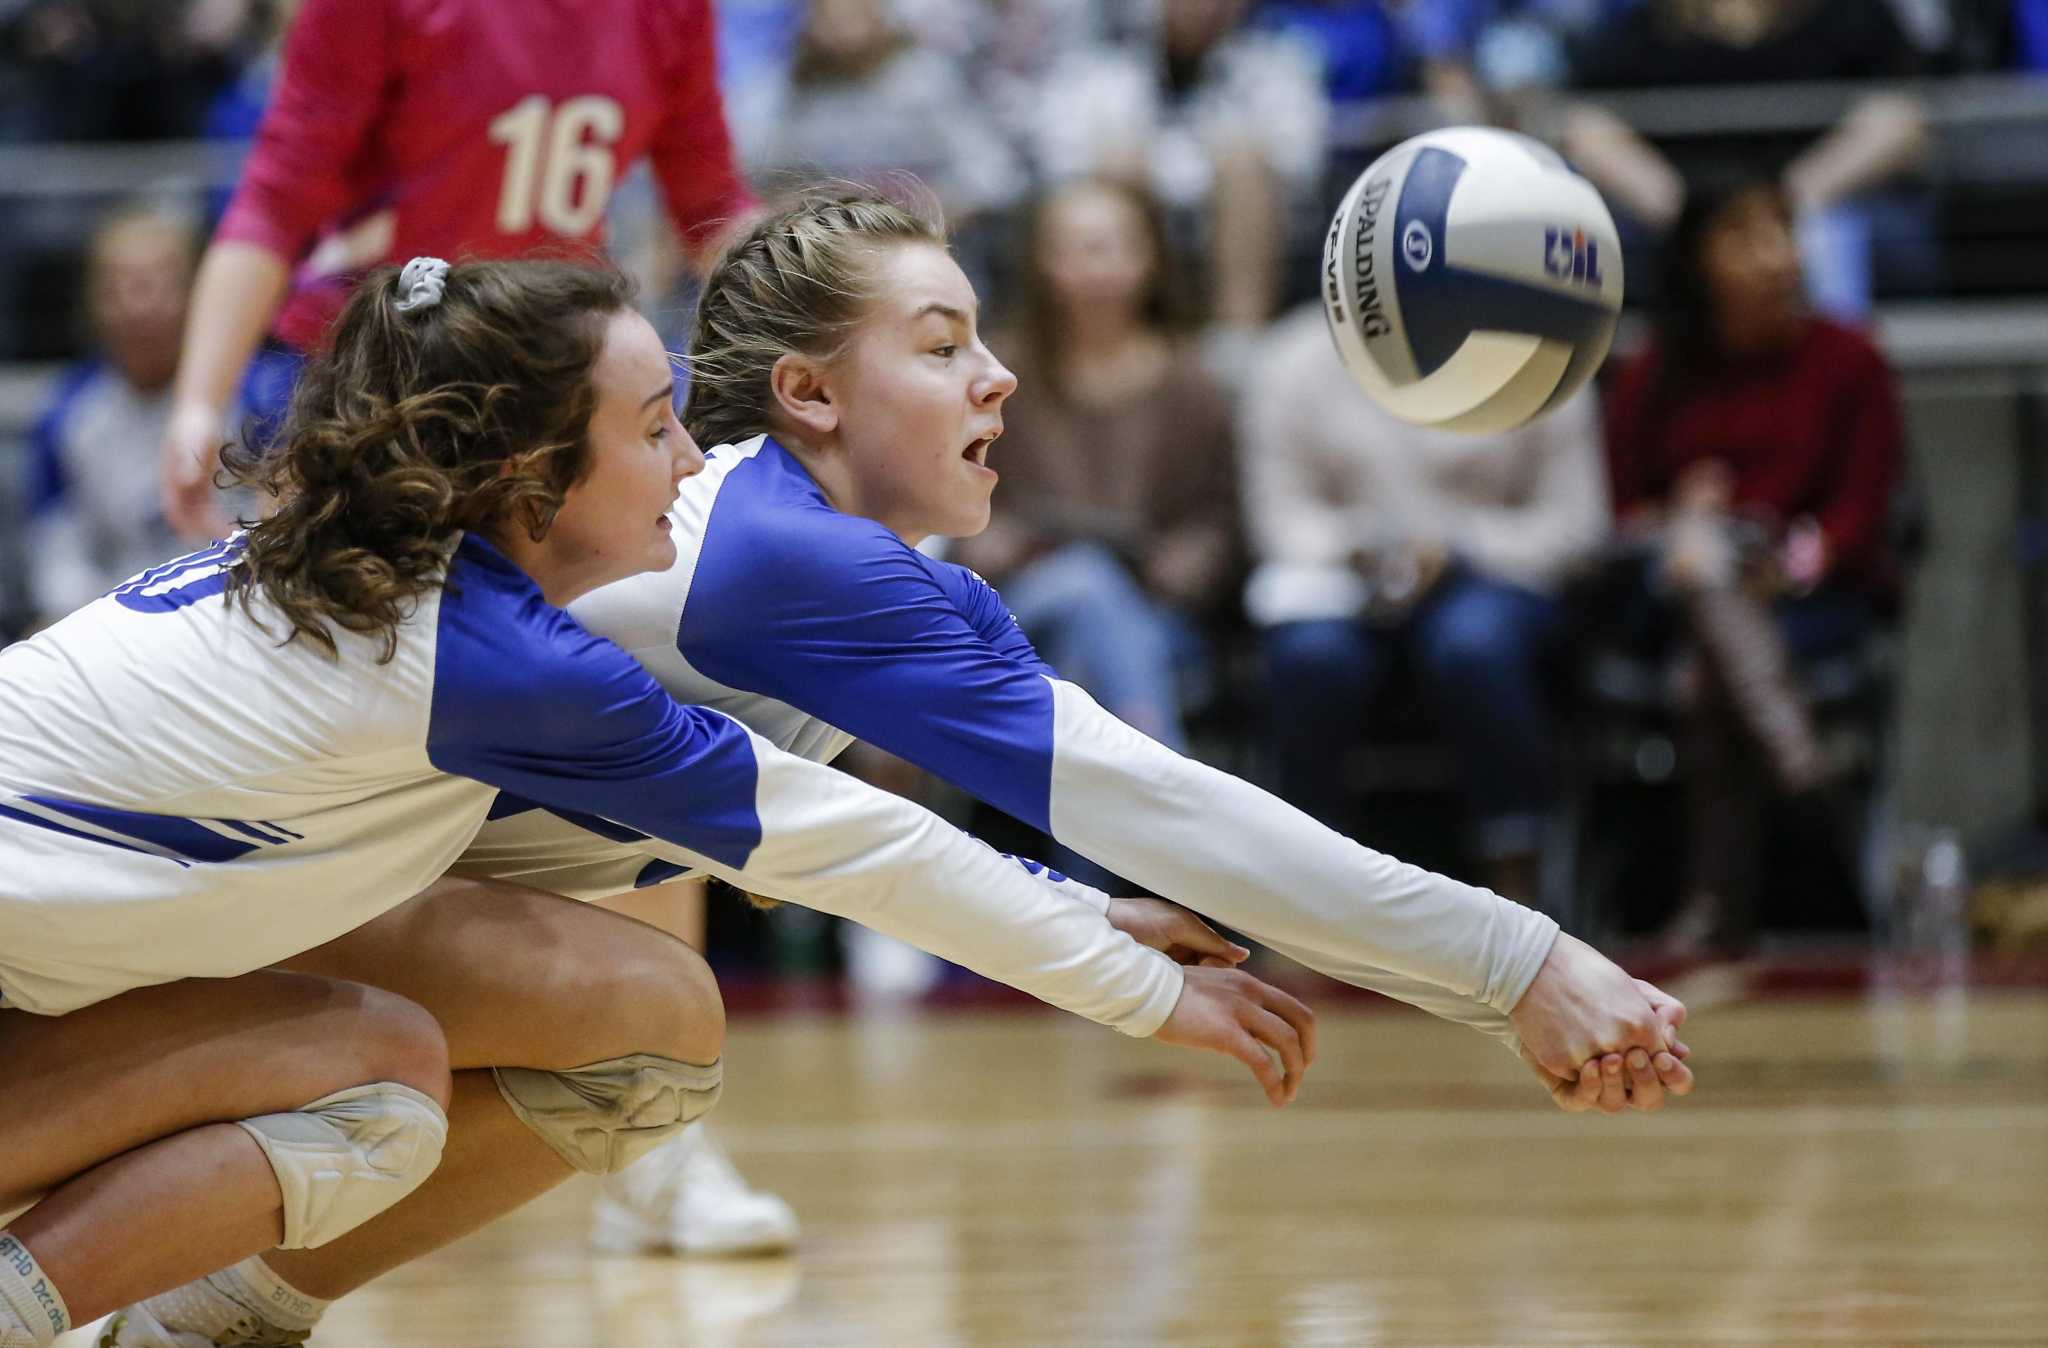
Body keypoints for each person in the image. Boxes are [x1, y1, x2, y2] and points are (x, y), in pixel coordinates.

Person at [1, 255, 1322, 1348]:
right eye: (652, 429)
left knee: (640, 1022)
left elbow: (839, 830)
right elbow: (846, 845)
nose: (693, 461)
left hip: (64, 979)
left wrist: (1082, 911)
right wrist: (1134, 986)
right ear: (532, 476)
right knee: (378, 1081)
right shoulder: (489, 661)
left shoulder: (412, 584)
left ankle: (205, 1322)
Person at [146, 0, 788, 1253]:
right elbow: (279, 191)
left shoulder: (665, 12)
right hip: (371, 414)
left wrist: (824, 344)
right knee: (339, 771)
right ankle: (266, 1109)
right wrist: (196, 397)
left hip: (554, 423)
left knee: (638, 733)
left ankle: (657, 1146)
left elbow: (712, 203)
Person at [1600, 175, 1906, 951]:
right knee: (1702, 562)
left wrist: (1795, 565)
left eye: (1783, 232)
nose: (1776, 256)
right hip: (1676, 584)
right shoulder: (1654, 367)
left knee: (1705, 674)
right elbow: (1620, 512)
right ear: (1698, 260)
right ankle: (1801, 771)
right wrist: (1679, 515)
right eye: (1745, 236)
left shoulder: (1851, 358)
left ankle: (1715, 906)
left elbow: (1862, 510)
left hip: (1807, 593)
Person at [1241, 304, 1610, 908]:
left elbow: (1576, 527)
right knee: (1310, 659)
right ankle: (1302, 891)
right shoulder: (1294, 357)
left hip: (1495, 577)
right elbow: (1277, 518)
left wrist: (1460, 545)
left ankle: (1518, 885)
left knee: (1474, 646)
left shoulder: (1546, 349)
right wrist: (1362, 546)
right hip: (1346, 579)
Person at [952, 176, 1239, 785]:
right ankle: (1166, 792)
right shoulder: (1000, 376)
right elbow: (954, 497)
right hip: (1024, 607)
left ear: (1150, 257)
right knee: (1084, 584)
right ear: (1042, 261)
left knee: (1089, 646)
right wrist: (991, 540)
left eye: (1111, 246)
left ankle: (1097, 834)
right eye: (1076, 248)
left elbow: (1219, 519)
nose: (1095, 267)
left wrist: (1189, 562)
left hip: (1155, 614)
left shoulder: (1192, 385)